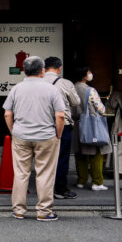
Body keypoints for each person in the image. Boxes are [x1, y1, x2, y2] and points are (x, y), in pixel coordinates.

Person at [3, 56, 65, 221]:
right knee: (45, 173)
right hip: (46, 136)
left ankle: (18, 210)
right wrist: (58, 134)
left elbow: (8, 113)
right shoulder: (51, 89)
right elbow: (60, 116)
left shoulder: (16, 88)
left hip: (21, 136)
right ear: (42, 70)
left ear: (24, 70)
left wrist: (14, 131)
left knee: (21, 173)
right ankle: (44, 211)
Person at [43, 57, 81, 200]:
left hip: (42, 124)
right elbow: (76, 102)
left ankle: (44, 189)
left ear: (44, 68)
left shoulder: (38, 82)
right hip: (62, 125)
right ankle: (59, 188)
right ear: (59, 68)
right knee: (61, 157)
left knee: (43, 158)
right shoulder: (64, 83)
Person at [73, 67, 111, 191]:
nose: (91, 74)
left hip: (76, 126)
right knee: (96, 154)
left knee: (80, 154)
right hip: (90, 126)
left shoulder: (71, 88)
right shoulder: (90, 90)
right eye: (89, 73)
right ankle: (97, 182)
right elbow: (101, 109)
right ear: (84, 76)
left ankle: (81, 181)